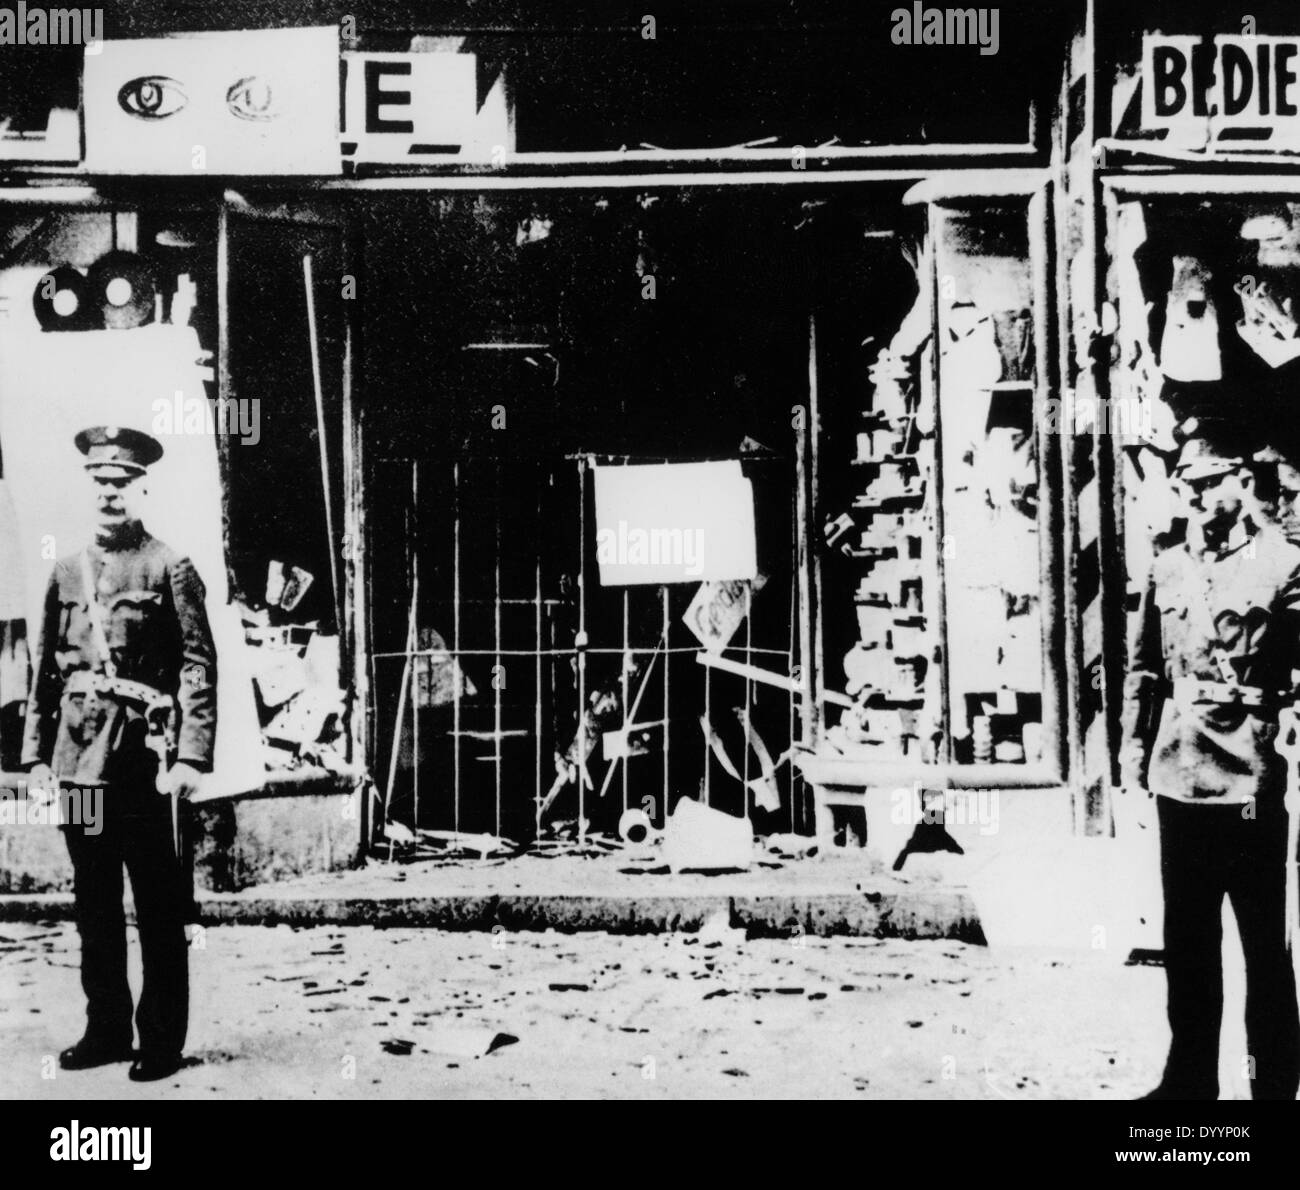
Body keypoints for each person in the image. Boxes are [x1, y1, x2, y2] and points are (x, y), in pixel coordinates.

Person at [23, 425, 217, 1082]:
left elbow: (197, 666)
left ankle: (160, 1038)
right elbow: (45, 671)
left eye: (122, 482)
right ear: (88, 488)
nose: (110, 493)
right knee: (95, 901)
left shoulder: (170, 566)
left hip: (143, 761)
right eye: (100, 482)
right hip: (80, 762)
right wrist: (36, 756)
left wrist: (192, 755)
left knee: (158, 903)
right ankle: (105, 1027)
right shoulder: (65, 570)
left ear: (143, 487)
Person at [1121, 419, 1300, 1100]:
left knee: (1263, 948)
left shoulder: (1283, 562)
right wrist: (1136, 751)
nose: (1196, 496)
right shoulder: (1168, 565)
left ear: (1241, 482)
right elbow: (1143, 671)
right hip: (1180, 775)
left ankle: (1274, 1087)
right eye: (1187, 484)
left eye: (1209, 483)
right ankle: (1189, 1082)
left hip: (1249, 774)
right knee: (1188, 944)